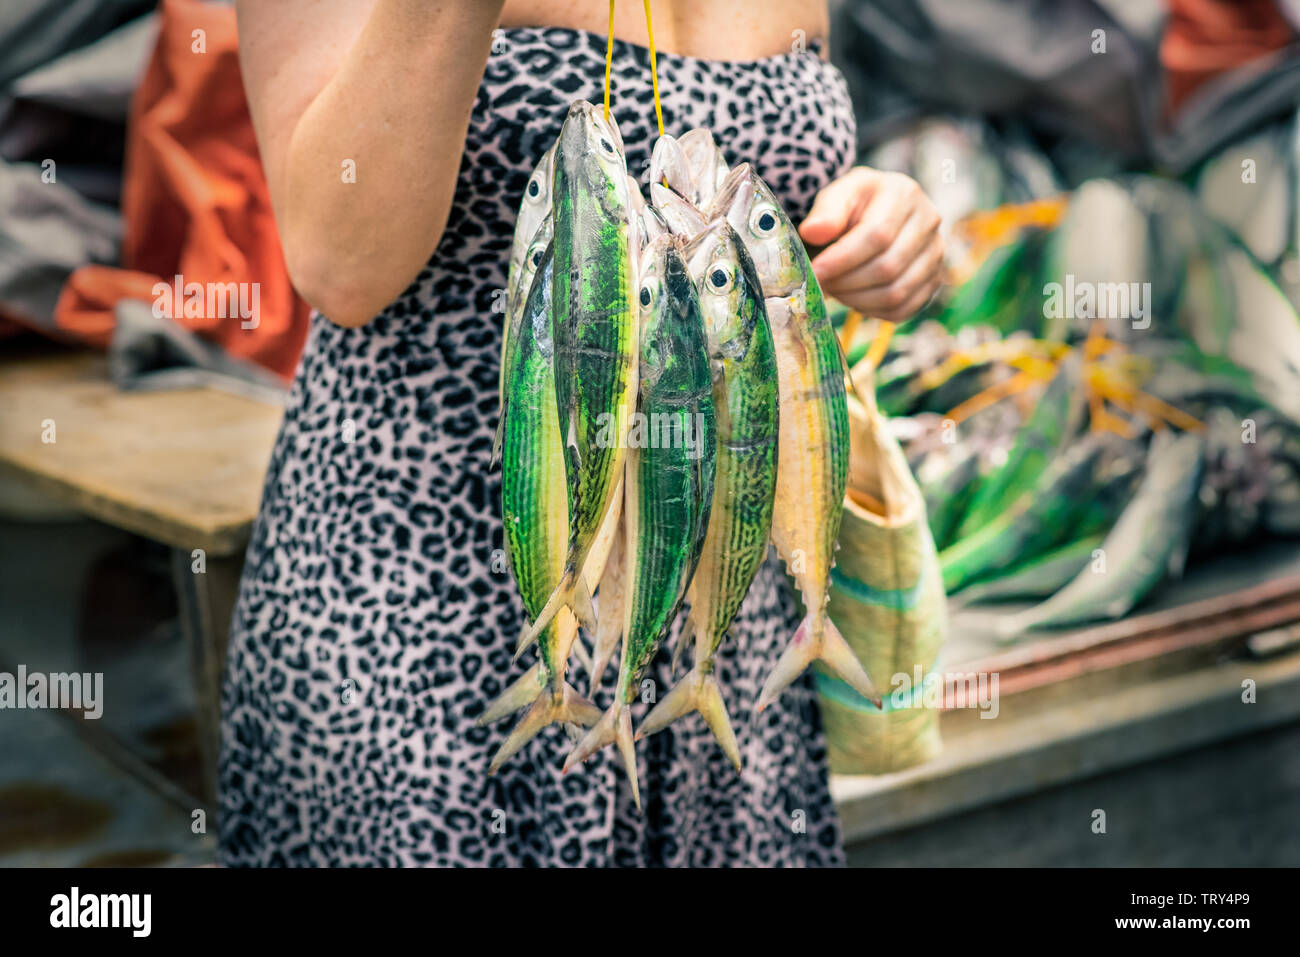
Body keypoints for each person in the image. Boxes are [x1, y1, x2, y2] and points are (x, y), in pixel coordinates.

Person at [220, 0, 944, 867]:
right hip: (430, 625)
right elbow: (339, 266)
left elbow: (774, 177)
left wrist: (881, 228)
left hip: (719, 625)